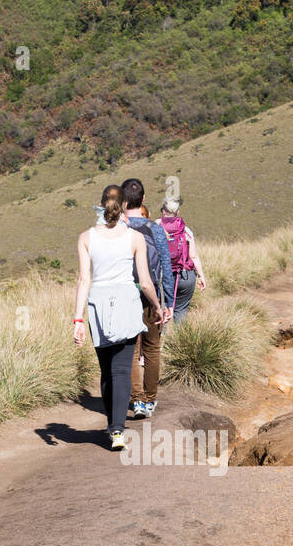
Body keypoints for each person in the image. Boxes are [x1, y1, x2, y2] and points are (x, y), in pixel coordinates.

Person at [74, 185, 163, 450]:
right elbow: (145, 282)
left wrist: (77, 320)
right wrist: (157, 306)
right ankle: (117, 430)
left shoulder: (86, 238)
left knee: (106, 370)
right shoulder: (135, 238)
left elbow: (83, 279)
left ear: (101, 205)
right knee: (122, 369)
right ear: (123, 206)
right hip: (127, 302)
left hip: (98, 305)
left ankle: (112, 424)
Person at [120, 178, 174, 418]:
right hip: (151, 294)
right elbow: (166, 267)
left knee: (131, 349)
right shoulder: (155, 229)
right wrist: (168, 303)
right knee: (153, 349)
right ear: (142, 200)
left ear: (122, 201)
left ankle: (138, 400)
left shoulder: (117, 230)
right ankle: (150, 400)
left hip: (125, 295)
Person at [158, 197, 206, 322]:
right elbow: (194, 256)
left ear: (163, 211)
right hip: (185, 275)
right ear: (178, 212)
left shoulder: (155, 227)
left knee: (162, 310)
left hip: (162, 276)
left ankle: (161, 340)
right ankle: (180, 340)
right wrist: (201, 276)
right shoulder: (185, 230)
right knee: (181, 311)